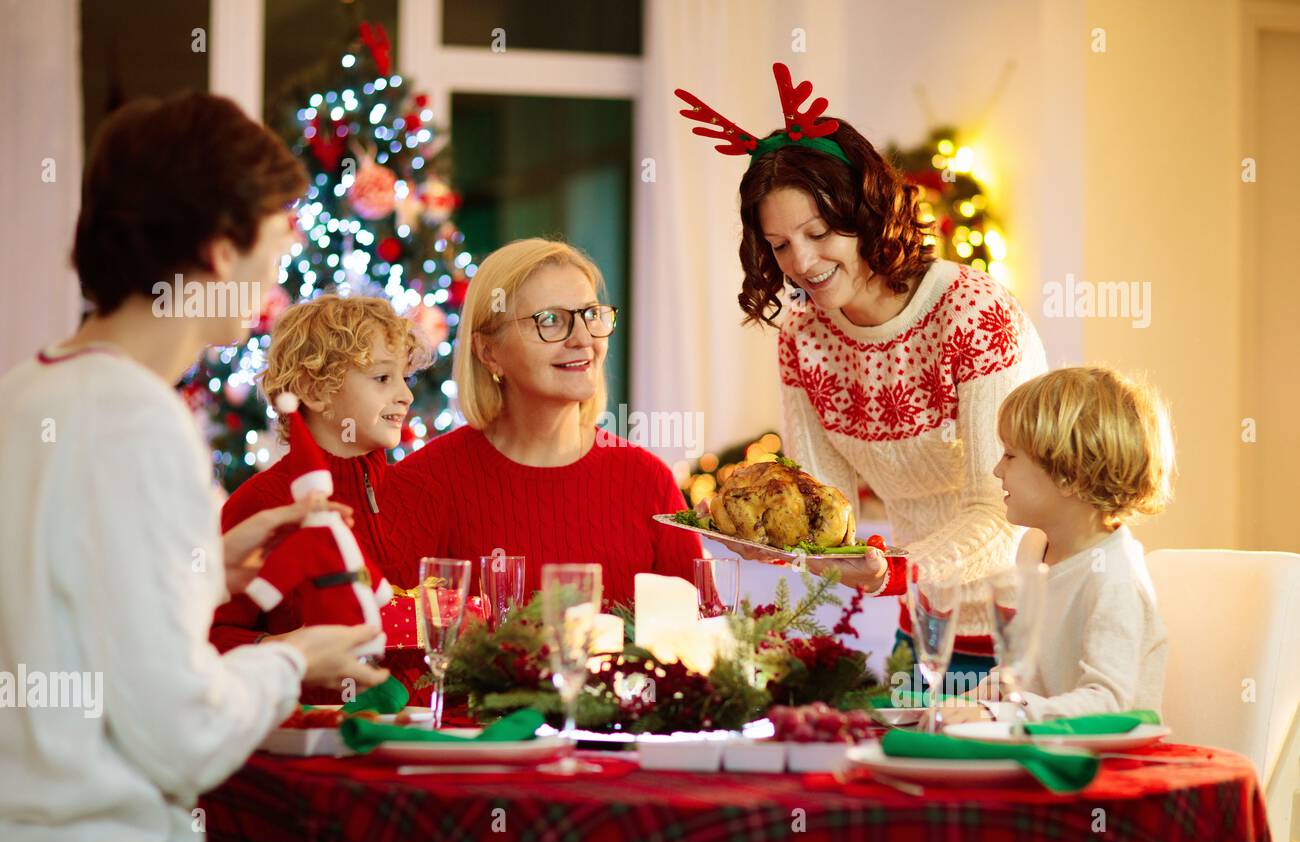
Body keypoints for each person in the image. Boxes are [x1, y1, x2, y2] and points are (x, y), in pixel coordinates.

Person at [0, 93, 387, 842]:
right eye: (273, 247)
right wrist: (293, 660)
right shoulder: (142, 421)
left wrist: (205, 568)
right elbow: (183, 735)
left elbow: (56, 606)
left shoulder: (24, 393)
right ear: (218, 250)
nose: (276, 275)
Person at [678, 62, 1047, 684]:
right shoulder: (803, 338)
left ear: (867, 211)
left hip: (1021, 628)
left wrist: (893, 566)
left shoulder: (972, 314)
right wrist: (766, 537)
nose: (802, 262)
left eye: (818, 233)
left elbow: (1000, 512)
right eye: (779, 245)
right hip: (916, 628)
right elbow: (827, 517)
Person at [381, 238, 702, 606]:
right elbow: (385, 641)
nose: (583, 339)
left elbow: (700, 639)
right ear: (488, 351)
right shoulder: (421, 484)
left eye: (591, 315)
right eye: (550, 320)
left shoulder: (648, 481)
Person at [945, 367, 1174, 723]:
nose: (996, 471)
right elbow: (1021, 674)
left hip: (1108, 765)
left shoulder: (1114, 578)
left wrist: (994, 715)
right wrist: (963, 705)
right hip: (1043, 747)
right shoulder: (1034, 548)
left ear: (1068, 474)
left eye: (1010, 456)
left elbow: (1107, 702)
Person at [210, 295, 430, 655]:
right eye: (382, 377)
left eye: (404, 377)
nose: (405, 395)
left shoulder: (419, 494)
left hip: (417, 713)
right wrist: (294, 649)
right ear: (315, 390)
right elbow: (212, 638)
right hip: (314, 711)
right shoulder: (260, 506)